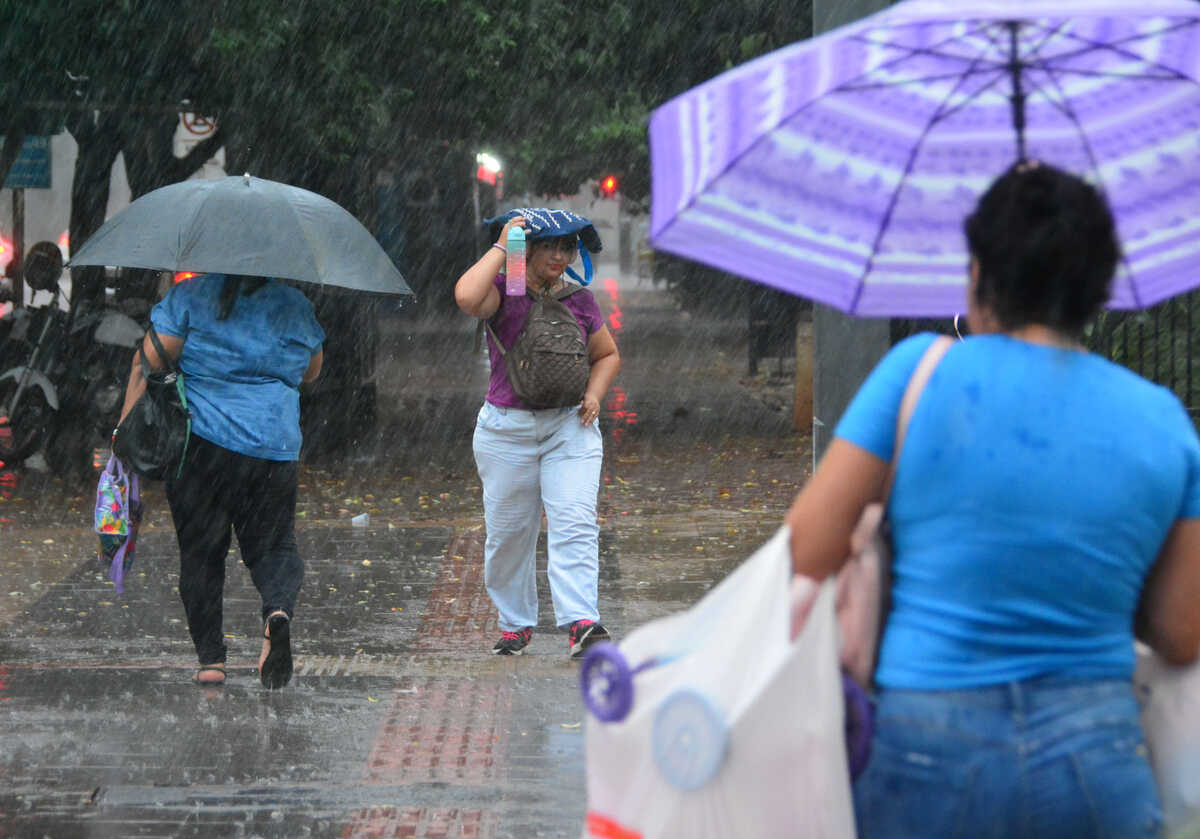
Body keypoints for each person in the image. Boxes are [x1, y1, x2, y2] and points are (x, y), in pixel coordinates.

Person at [786, 161, 1200, 838]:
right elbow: (1183, 632)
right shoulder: (1162, 420)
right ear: (1097, 290)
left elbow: (805, 546)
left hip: (925, 748)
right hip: (1096, 763)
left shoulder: (917, 372)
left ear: (977, 275)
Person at [118, 273, 325, 688]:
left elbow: (148, 362)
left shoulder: (190, 296)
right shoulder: (293, 303)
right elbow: (311, 372)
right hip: (272, 444)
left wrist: (122, 436)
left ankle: (211, 660)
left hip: (201, 446)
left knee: (201, 552)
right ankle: (277, 611)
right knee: (273, 546)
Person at [454, 208, 620, 658]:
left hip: (570, 427)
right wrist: (502, 244)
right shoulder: (506, 292)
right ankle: (515, 623)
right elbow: (467, 298)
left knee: (575, 523)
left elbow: (606, 355)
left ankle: (581, 622)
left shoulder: (580, 299)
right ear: (527, 249)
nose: (561, 256)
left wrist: (595, 394)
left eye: (567, 247)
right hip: (506, 432)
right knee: (509, 535)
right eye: (551, 246)